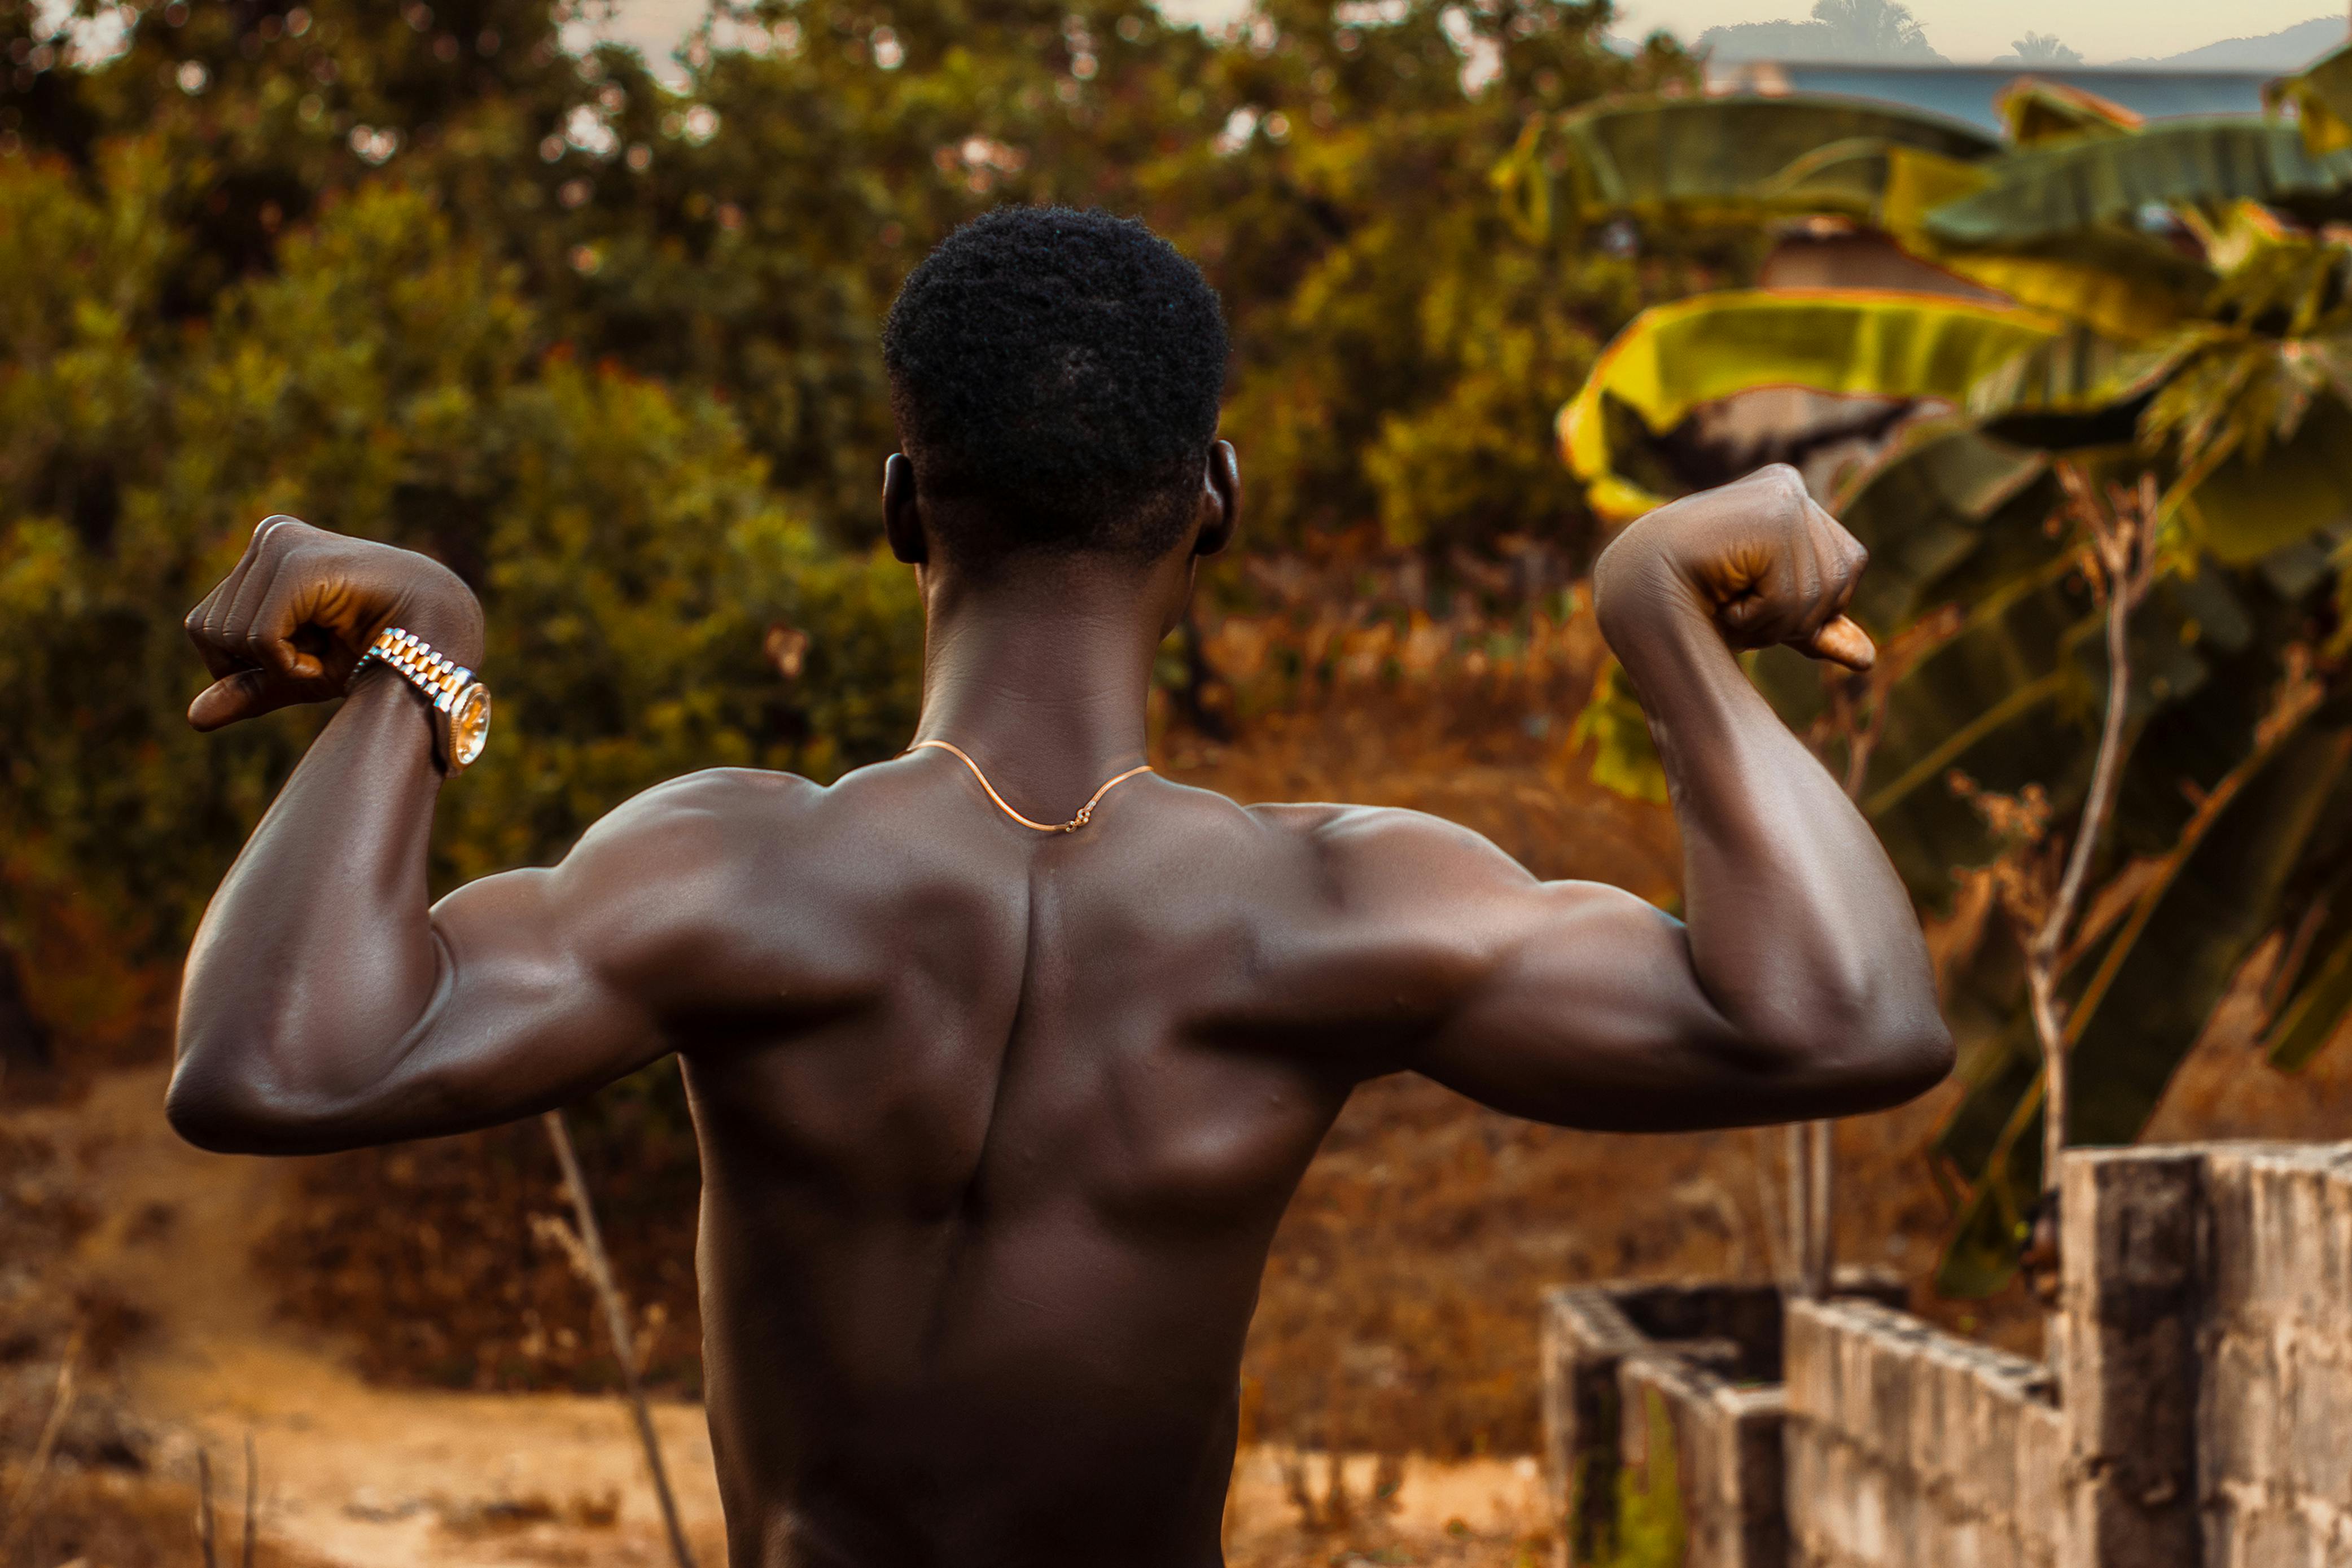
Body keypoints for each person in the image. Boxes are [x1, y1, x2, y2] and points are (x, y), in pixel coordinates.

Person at [168, 205, 1951, 1566]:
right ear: (1218, 504)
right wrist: (1664, 623)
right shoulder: (1334, 909)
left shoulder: (736, 872)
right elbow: (1849, 1017)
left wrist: (432, 662)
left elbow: (275, 1060)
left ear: (898, 509)